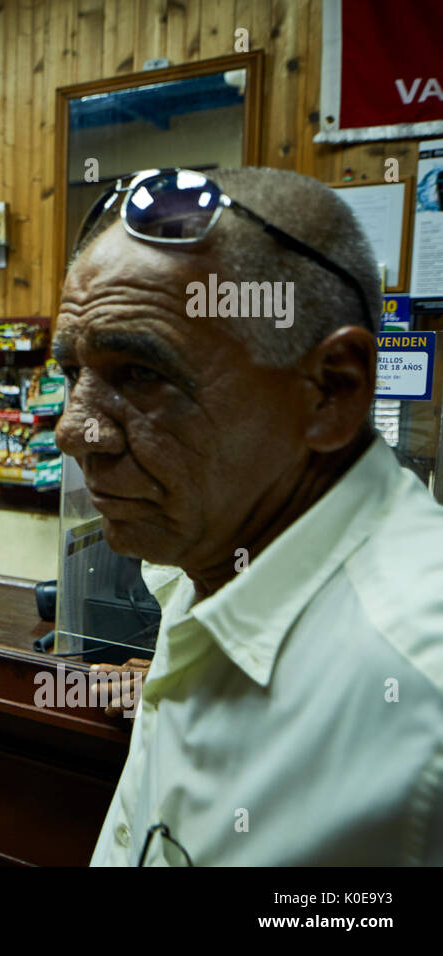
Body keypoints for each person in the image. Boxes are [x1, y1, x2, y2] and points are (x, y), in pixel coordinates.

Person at [54, 167, 443, 865]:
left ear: (331, 390)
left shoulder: (420, 696)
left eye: (142, 374)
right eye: (68, 373)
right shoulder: (217, 552)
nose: (74, 429)